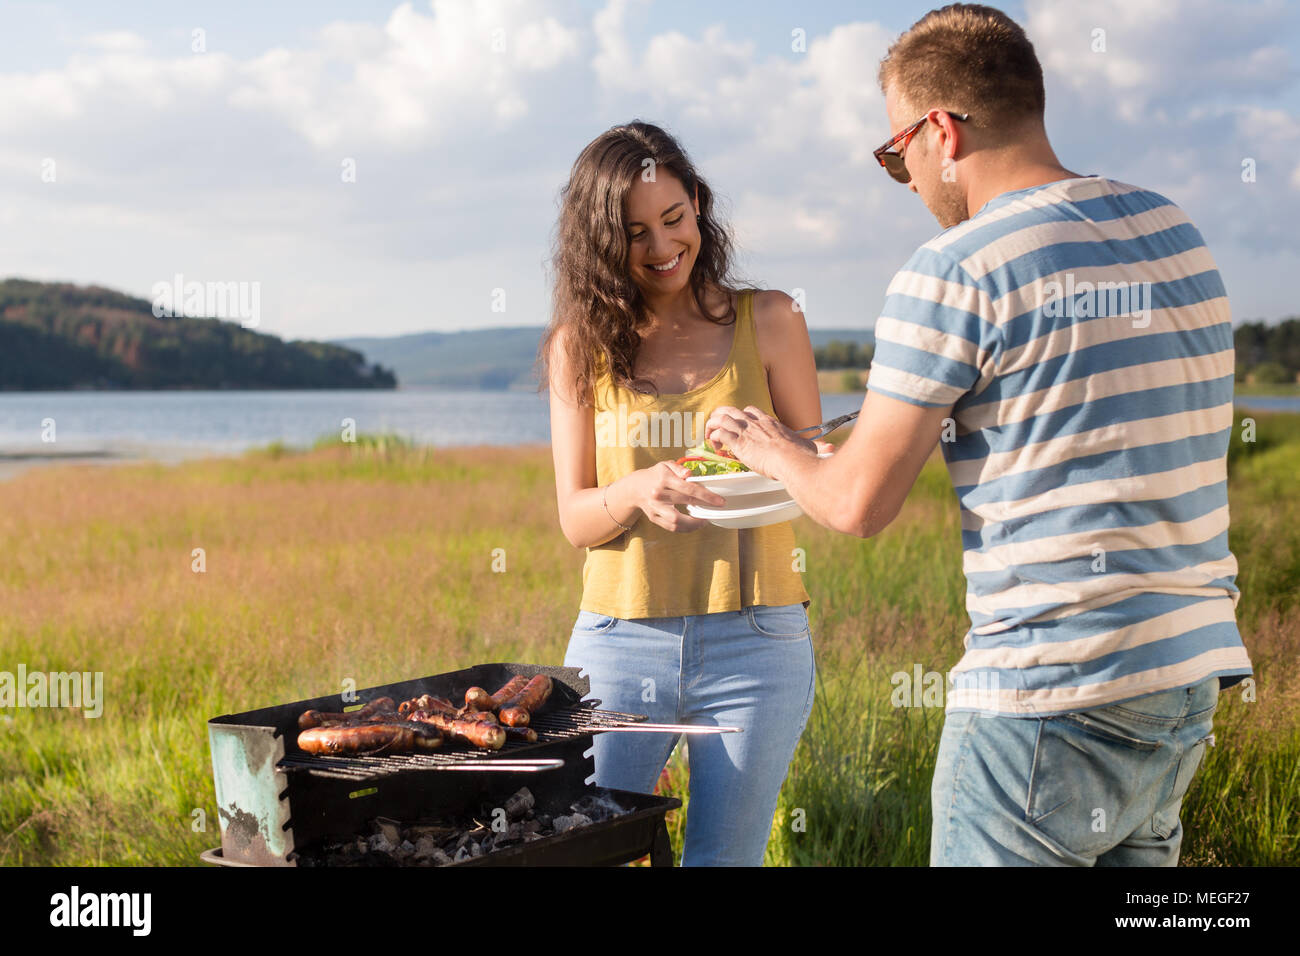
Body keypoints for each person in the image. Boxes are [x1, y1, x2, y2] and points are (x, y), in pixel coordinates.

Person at [705, 3, 1253, 866]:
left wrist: (770, 447)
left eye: (896, 156)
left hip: (1043, 699)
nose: (908, 180)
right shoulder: (1173, 230)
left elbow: (855, 505)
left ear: (939, 131)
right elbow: (1083, 414)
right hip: (1184, 684)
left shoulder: (955, 269)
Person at [540, 121, 821, 866]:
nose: (662, 248)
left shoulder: (772, 319)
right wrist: (631, 489)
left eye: (674, 219)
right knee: (589, 854)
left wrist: (769, 443)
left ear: (698, 204)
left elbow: (821, 475)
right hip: (618, 642)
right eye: (635, 233)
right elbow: (575, 519)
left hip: (756, 641)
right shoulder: (581, 346)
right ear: (601, 241)